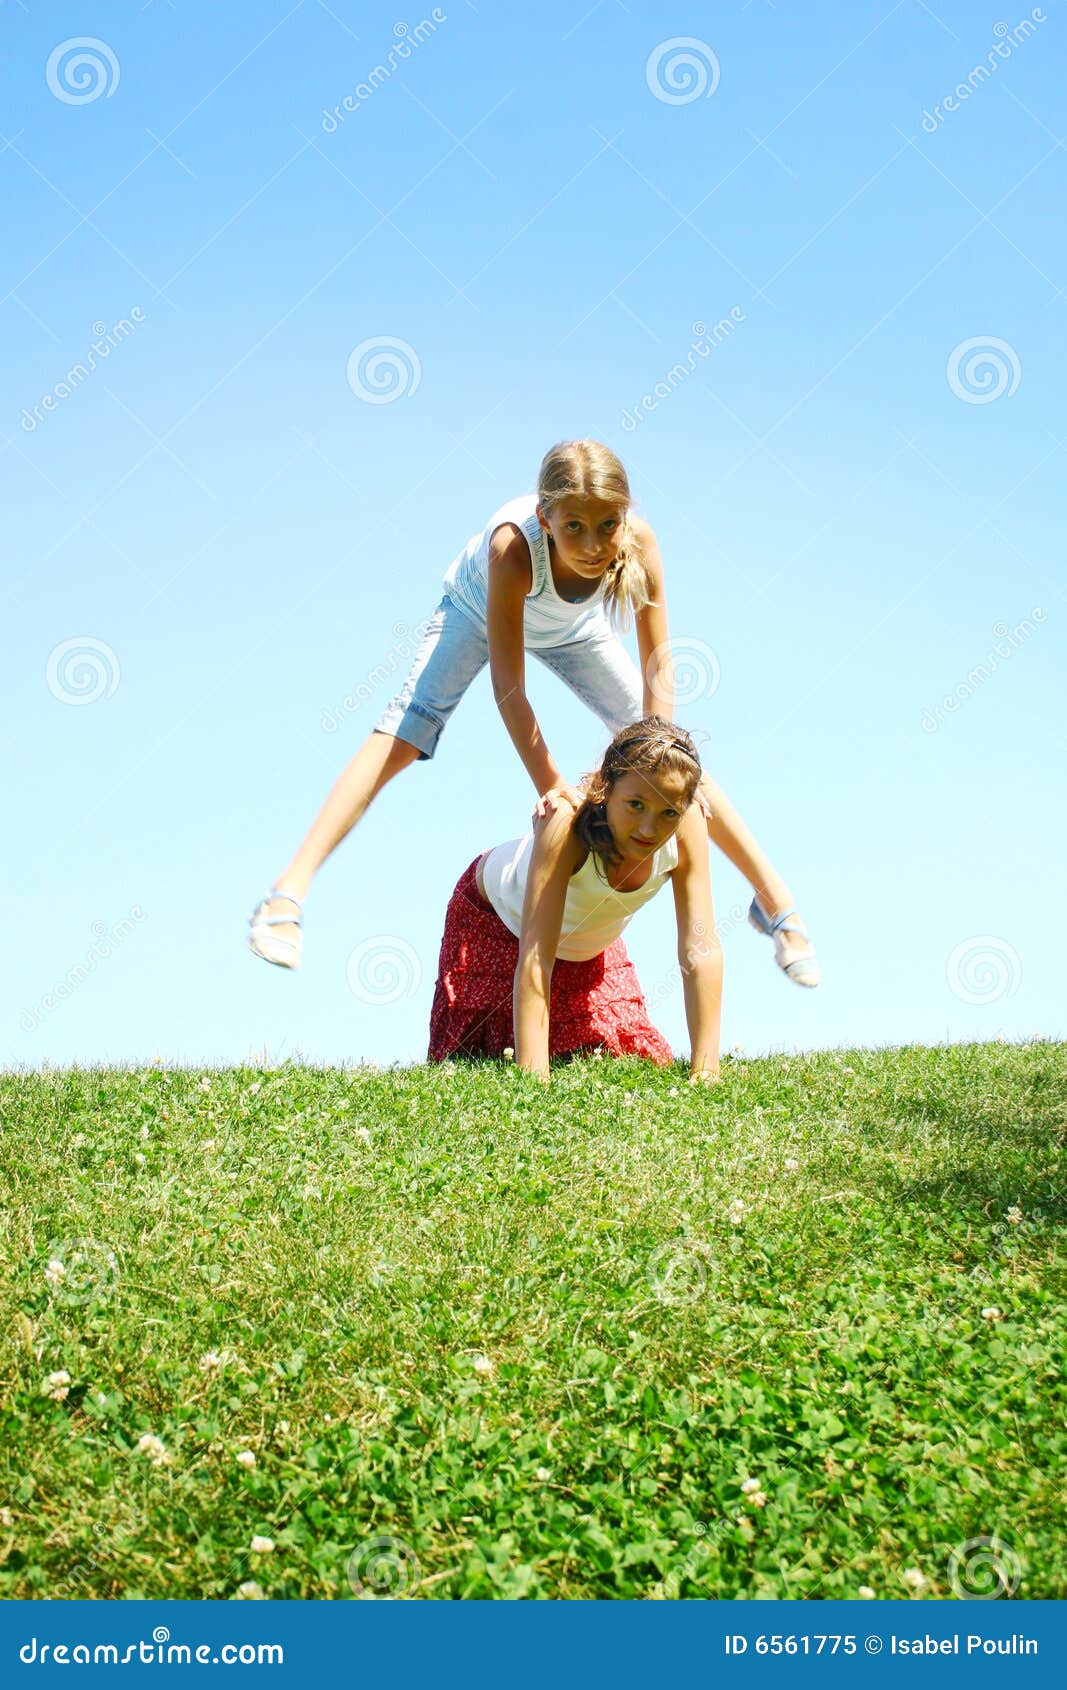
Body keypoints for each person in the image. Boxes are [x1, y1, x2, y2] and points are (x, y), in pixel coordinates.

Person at [248, 440, 818, 988]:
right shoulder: (510, 548)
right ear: (546, 517)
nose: (592, 543)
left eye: (605, 526)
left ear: (624, 517)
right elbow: (508, 685)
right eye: (573, 526)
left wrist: (655, 758)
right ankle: (285, 896)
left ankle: (776, 905)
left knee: (677, 765)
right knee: (406, 731)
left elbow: (658, 667)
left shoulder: (640, 543)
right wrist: (551, 785)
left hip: (575, 632)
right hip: (477, 610)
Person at [429, 719, 721, 1083]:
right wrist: (535, 1082)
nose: (649, 828)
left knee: (625, 1053)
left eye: (668, 813)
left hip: (588, 936)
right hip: (500, 925)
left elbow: (699, 947)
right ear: (606, 789)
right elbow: (536, 955)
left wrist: (706, 1068)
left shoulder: (689, 823)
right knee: (492, 1056)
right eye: (635, 804)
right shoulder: (565, 824)